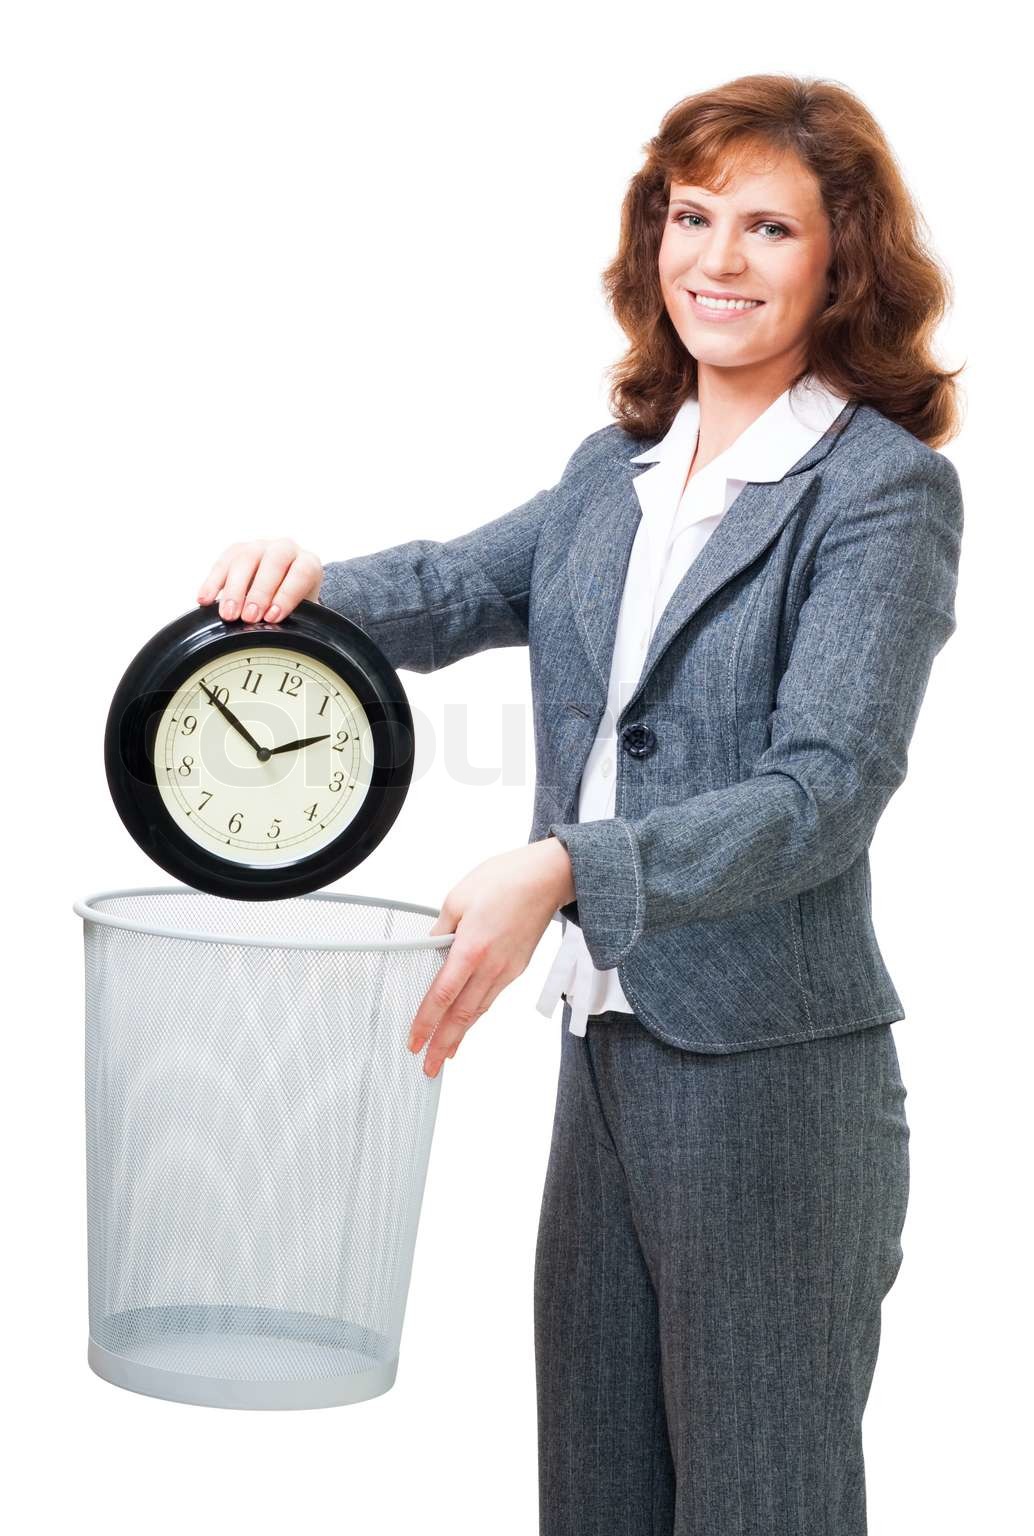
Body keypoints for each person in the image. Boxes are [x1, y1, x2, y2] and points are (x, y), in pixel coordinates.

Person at [196, 74, 964, 1535]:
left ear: (842, 261)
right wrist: (291, 589)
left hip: (772, 1083)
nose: (717, 260)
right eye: (691, 217)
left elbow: (822, 794)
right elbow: (448, 589)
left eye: (768, 228)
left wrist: (562, 868)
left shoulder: (878, 491)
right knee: (595, 1496)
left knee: (761, 1503)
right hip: (607, 1050)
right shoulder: (616, 476)